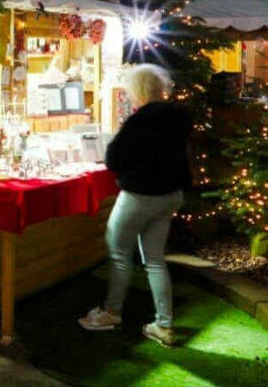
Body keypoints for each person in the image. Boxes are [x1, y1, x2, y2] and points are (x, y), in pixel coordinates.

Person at [79, 64, 192, 347]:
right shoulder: (178, 117)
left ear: (137, 91)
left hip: (140, 195)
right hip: (170, 195)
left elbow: (114, 159)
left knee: (119, 252)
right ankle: (164, 325)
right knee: (154, 260)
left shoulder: (139, 120)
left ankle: (111, 312)